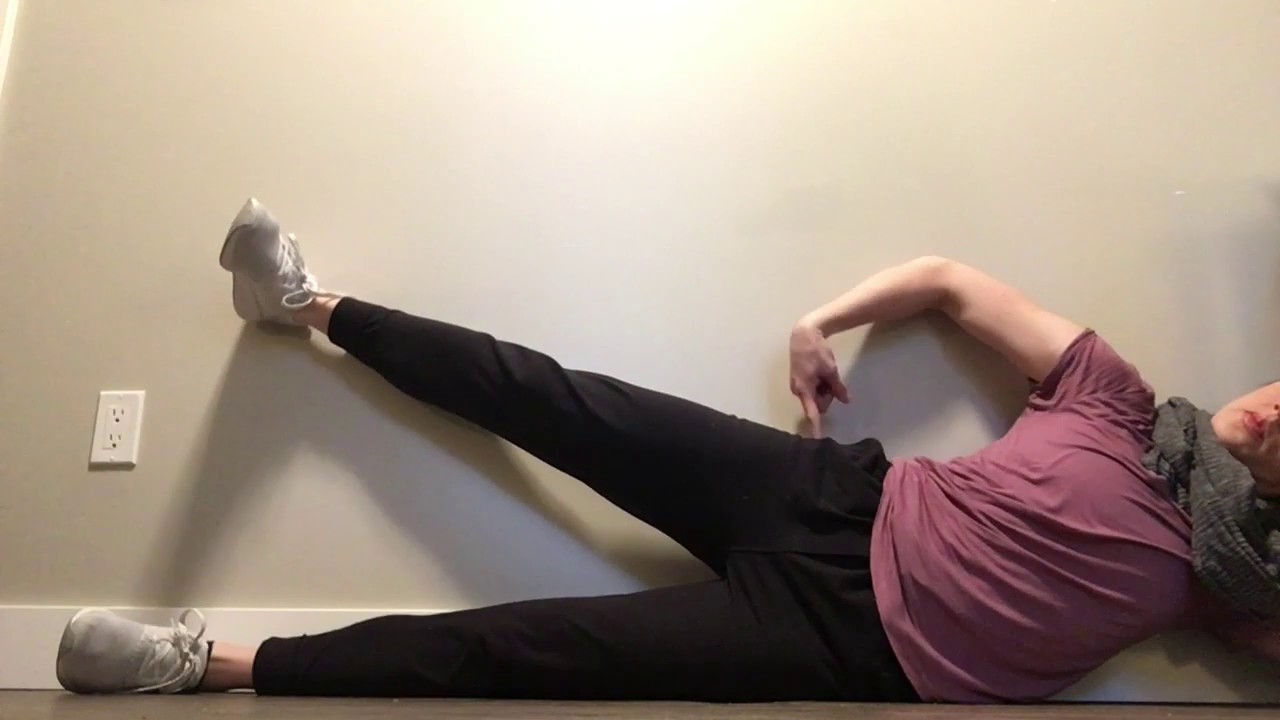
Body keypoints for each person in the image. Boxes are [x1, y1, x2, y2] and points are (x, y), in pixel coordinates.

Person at [52, 199, 1280, 703]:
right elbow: (949, 282)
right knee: (549, 399)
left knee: (524, 651)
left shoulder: (1242, 581)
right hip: (832, 496)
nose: (1271, 414)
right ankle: (305, 306)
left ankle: (209, 664)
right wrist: (819, 321)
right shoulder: (1120, 401)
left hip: (850, 648)